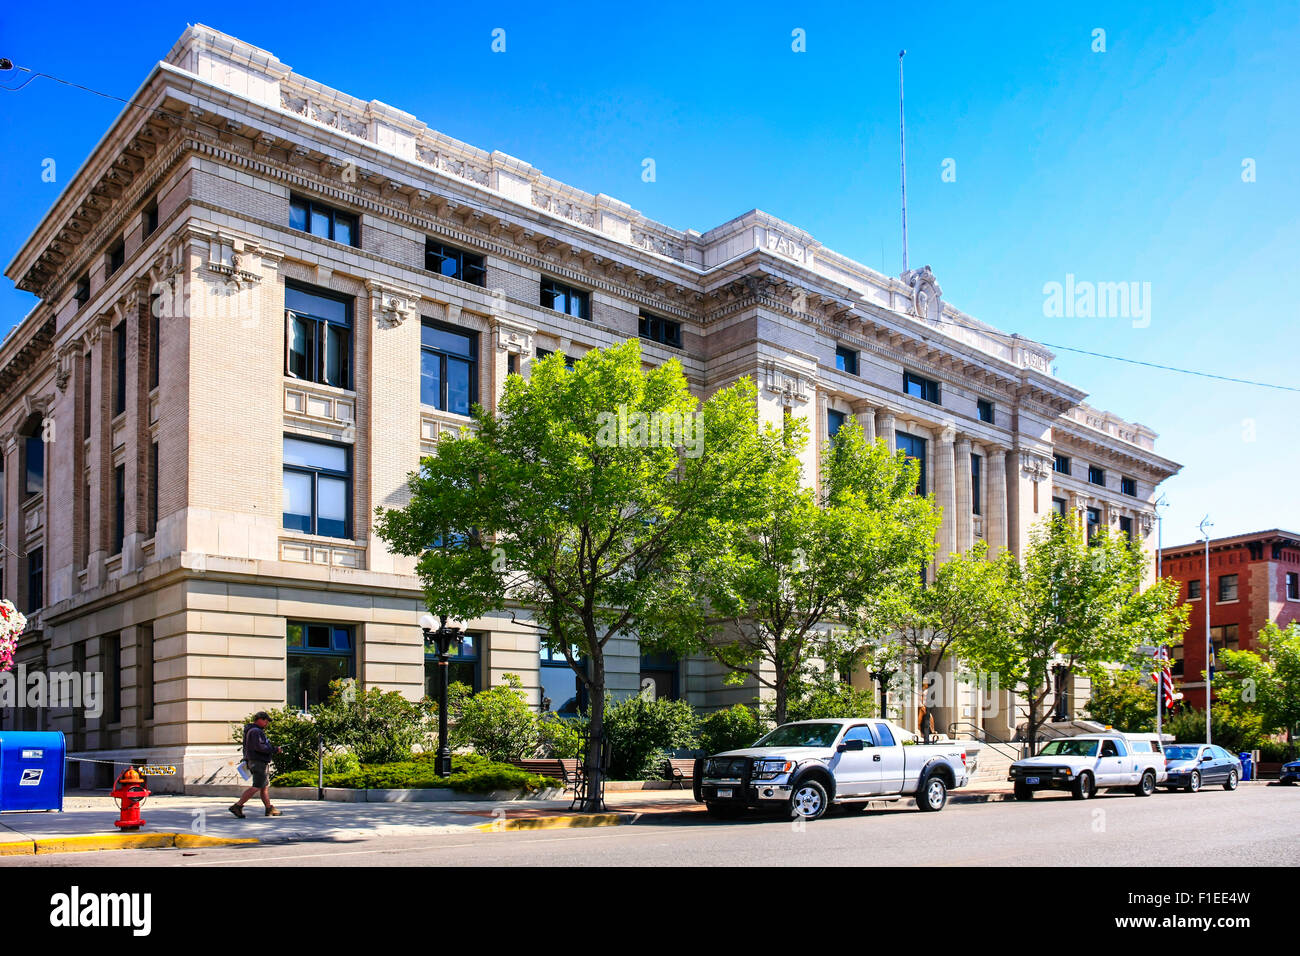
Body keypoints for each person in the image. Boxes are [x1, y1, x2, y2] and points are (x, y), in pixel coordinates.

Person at [230, 711, 284, 818]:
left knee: (264, 786)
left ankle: (269, 808)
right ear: (260, 719)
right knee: (257, 786)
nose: (267, 723)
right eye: (266, 721)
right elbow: (260, 747)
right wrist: (274, 749)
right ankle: (238, 806)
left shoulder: (252, 731)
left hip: (256, 761)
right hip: (258, 762)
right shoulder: (256, 731)